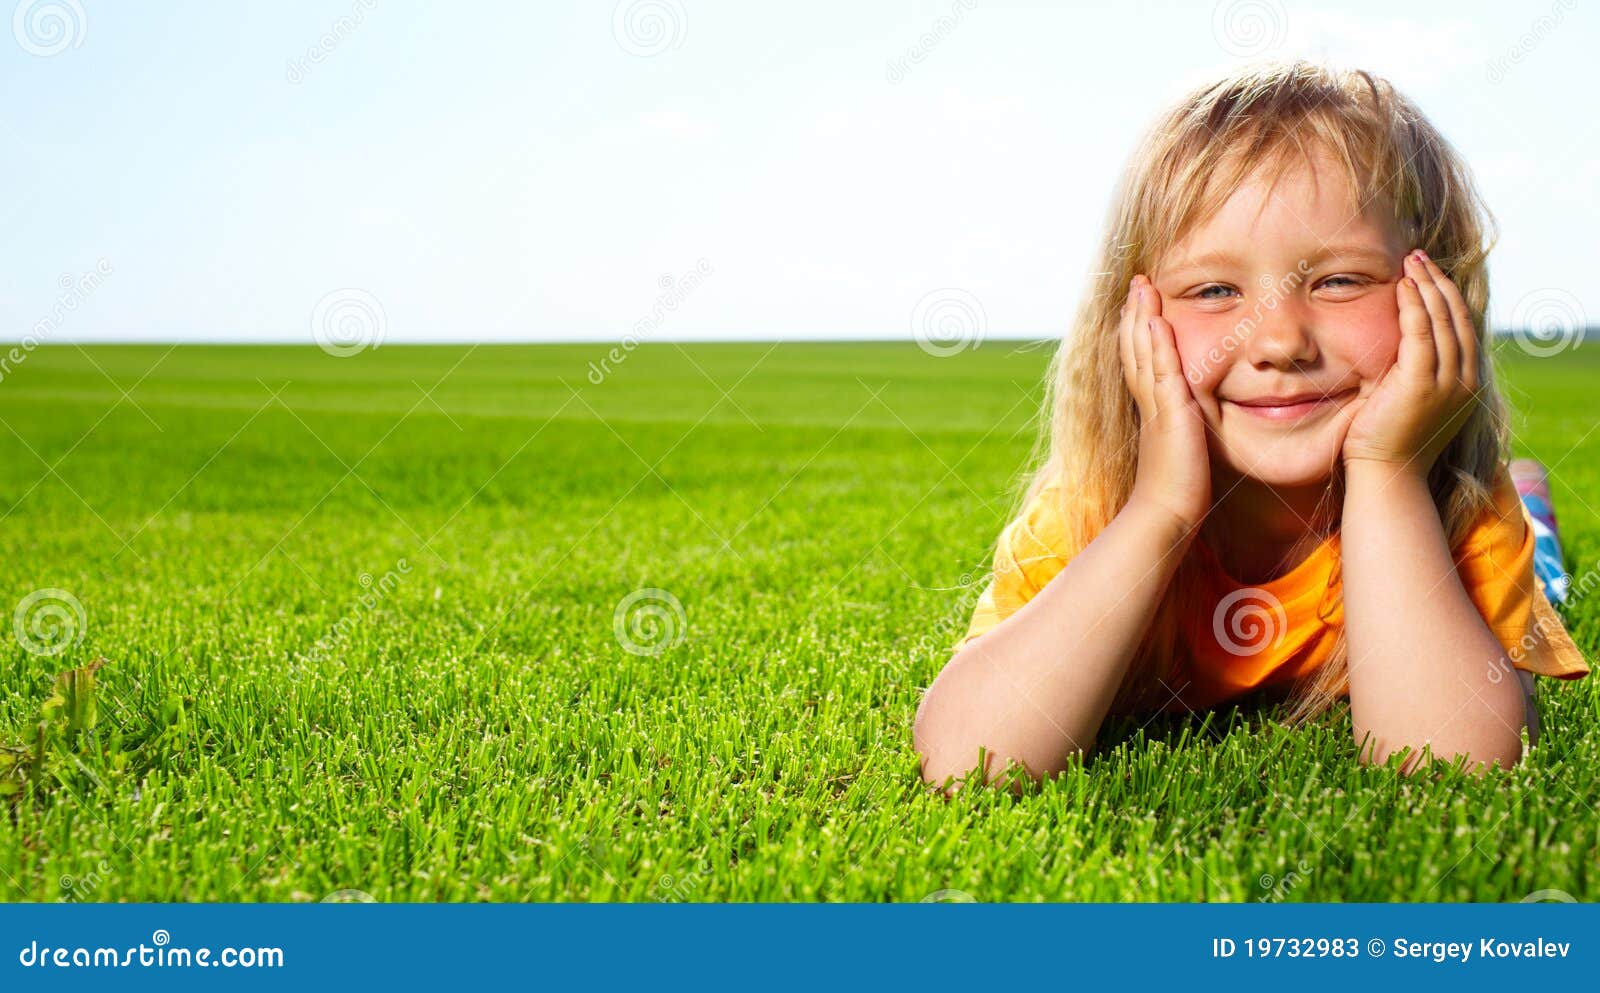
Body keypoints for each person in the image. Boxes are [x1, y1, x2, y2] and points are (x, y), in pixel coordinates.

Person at [912, 62, 1589, 793]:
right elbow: (965, 761)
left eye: (1338, 280)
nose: (1277, 342)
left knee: (1544, 580)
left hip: (1436, 502)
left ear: (1437, 296)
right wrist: (1160, 511)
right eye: (1214, 289)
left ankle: (1534, 516)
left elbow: (1447, 765)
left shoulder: (1454, 508)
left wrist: (1388, 476)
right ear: (1134, 323)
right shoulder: (1094, 512)